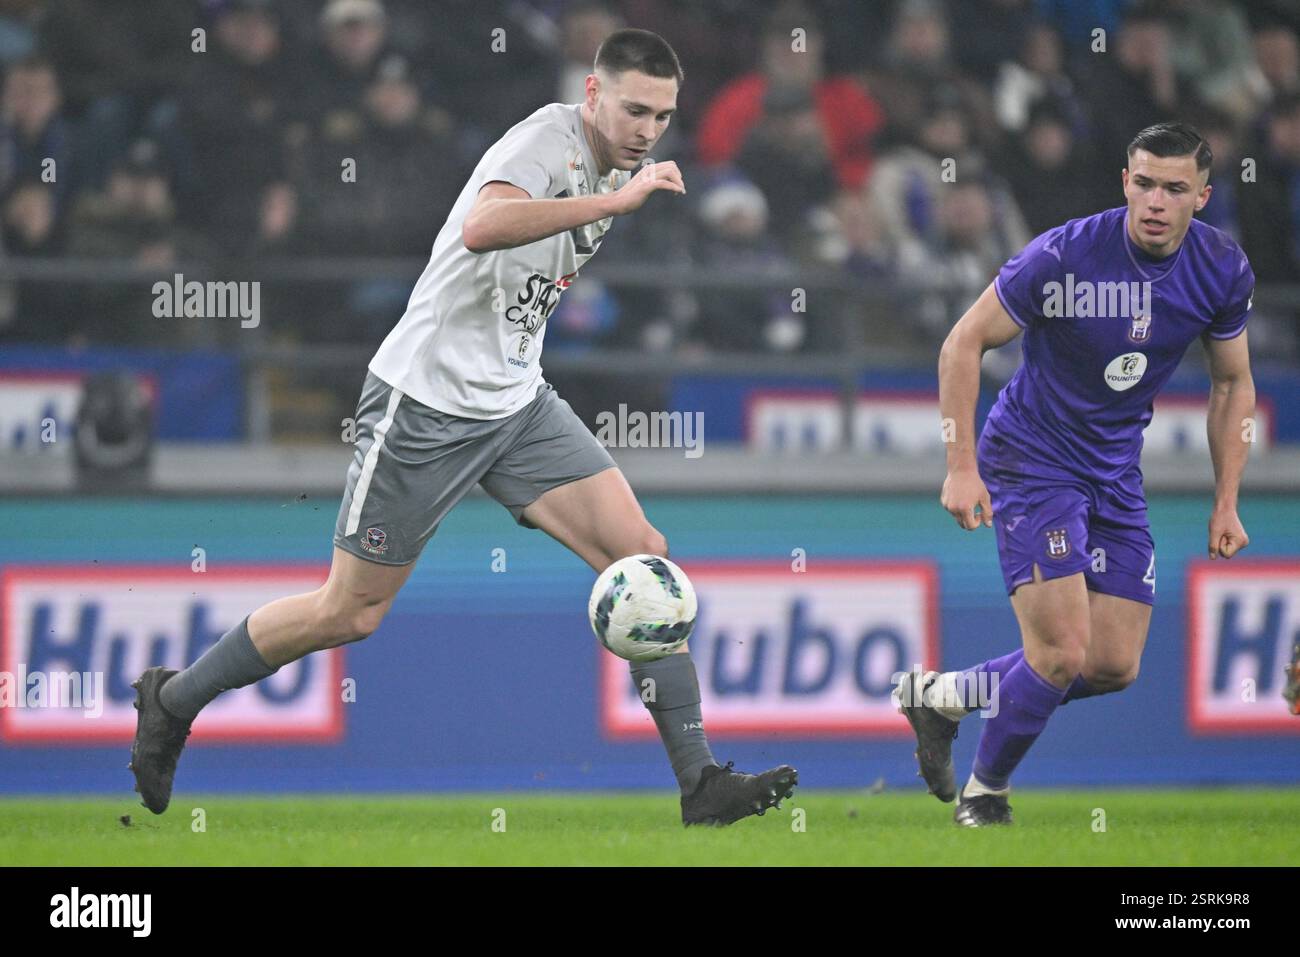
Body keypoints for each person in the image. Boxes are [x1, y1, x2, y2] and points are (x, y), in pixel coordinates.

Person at [128, 28, 797, 827]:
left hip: (516, 404)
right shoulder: (547, 142)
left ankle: (700, 784)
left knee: (641, 556)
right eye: (633, 109)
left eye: (662, 115)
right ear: (592, 96)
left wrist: (618, 191)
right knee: (351, 612)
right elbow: (484, 226)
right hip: (425, 405)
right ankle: (173, 699)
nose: (648, 129)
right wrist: (614, 202)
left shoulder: (621, 162)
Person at [899, 122, 1256, 826]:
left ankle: (943, 696)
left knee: (1113, 664)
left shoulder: (1221, 268)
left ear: (1202, 197)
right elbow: (962, 342)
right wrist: (960, 465)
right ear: (1125, 181)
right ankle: (986, 794)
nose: (1156, 200)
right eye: (1144, 183)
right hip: (1031, 459)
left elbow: (1233, 384)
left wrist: (1226, 501)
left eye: (1174, 188)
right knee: (1061, 651)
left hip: (1115, 470)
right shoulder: (1063, 255)